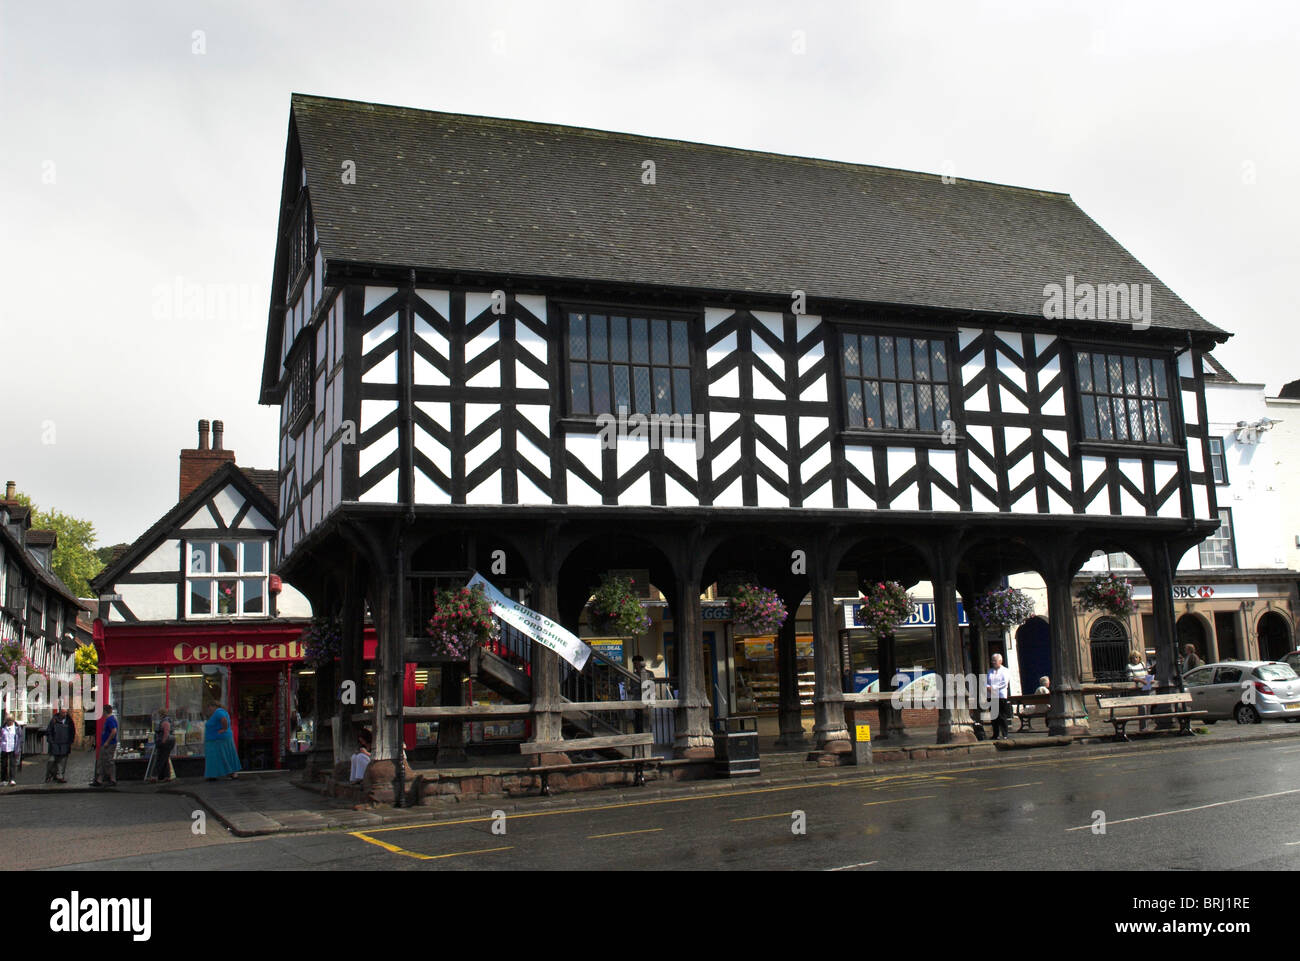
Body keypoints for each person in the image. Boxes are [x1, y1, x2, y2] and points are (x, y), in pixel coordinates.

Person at [203, 701, 241, 781]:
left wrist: (224, 728)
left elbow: (223, 719)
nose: (209, 709)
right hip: (217, 739)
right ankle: (215, 774)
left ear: (213, 706)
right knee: (220, 757)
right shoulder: (220, 712)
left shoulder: (218, 712)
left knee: (221, 756)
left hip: (218, 739)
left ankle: (231, 773)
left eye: (209, 707)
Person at [45, 705, 75, 783]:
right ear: (60, 712)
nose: (64, 714)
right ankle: (49, 775)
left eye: (65, 712)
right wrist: (51, 741)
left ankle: (60, 776)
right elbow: (49, 731)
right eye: (63, 712)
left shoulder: (69, 721)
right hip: (55, 744)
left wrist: (70, 741)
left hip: (65, 744)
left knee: (62, 762)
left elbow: (72, 732)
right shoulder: (54, 720)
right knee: (51, 761)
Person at [986, 654, 1012, 740]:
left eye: (995, 660)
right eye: (992, 660)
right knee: (994, 716)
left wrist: (993, 688)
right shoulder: (990, 671)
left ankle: (1005, 734)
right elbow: (986, 681)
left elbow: (1004, 683)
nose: (993, 662)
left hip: (1000, 695)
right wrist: (988, 687)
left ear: (1000, 661)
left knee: (1001, 715)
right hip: (991, 695)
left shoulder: (1005, 671)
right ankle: (995, 734)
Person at [91, 704, 118, 787]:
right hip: (106, 744)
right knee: (102, 761)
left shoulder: (110, 720)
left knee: (108, 761)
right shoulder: (109, 719)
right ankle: (99, 779)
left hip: (109, 744)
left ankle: (112, 779)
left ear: (105, 711)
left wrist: (107, 742)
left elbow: (114, 731)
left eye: (102, 711)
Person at [1127, 651, 1154, 732]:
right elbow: (1130, 678)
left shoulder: (1142, 664)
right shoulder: (1129, 666)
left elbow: (1146, 674)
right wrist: (1141, 681)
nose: (1135, 659)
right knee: (1142, 707)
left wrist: (1150, 679)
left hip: (1146, 686)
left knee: (1148, 706)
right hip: (1137, 688)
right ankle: (1143, 727)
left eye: (1137, 657)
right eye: (1133, 657)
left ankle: (1147, 725)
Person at [147, 707, 175, 784]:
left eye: (159, 714)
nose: (158, 715)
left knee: (160, 759)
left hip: (166, 742)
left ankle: (154, 776)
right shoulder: (168, 720)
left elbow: (166, 732)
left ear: (161, 714)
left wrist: (163, 741)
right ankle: (167, 776)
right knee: (165, 759)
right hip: (169, 742)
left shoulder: (165, 721)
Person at [0, 713, 23, 785]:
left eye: (11, 720)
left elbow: (20, 738)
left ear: (13, 720)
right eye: (8, 720)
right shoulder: (3, 728)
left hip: (13, 747)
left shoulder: (16, 728)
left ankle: (12, 779)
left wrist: (18, 747)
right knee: (4, 764)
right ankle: (4, 780)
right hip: (4, 747)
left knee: (12, 764)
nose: (9, 722)